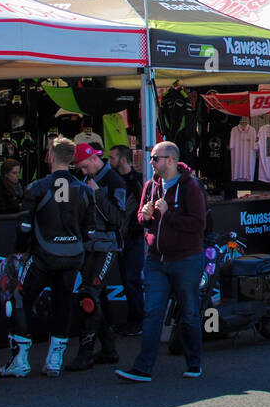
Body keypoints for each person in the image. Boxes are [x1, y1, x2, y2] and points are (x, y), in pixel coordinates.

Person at [0, 137, 96, 378]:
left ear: (50, 156)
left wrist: (20, 251)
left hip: (43, 256)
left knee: (19, 299)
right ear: (72, 159)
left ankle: (20, 359)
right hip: (72, 256)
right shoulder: (84, 188)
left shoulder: (37, 187)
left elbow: (24, 225)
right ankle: (54, 360)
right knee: (62, 303)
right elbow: (89, 230)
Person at [116, 142, 208, 381]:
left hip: (186, 259)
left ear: (170, 160)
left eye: (156, 158)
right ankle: (143, 368)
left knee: (188, 313)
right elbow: (140, 219)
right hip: (156, 259)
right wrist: (144, 217)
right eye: (151, 158)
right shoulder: (150, 186)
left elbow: (198, 225)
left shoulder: (190, 187)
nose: (151, 162)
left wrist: (169, 214)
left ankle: (194, 364)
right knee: (152, 312)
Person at [66, 142, 127, 371]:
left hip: (107, 246)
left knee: (90, 296)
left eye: (83, 166)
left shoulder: (115, 181)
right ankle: (109, 349)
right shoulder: (84, 181)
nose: (83, 172)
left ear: (93, 160)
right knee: (97, 297)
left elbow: (118, 219)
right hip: (88, 246)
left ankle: (86, 352)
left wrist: (97, 194)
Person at [109, 145, 146, 336]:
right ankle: (135, 319)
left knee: (132, 278)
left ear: (123, 159)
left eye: (113, 157)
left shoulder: (138, 180)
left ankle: (138, 320)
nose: (110, 161)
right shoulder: (113, 180)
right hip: (120, 237)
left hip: (135, 237)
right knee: (127, 278)